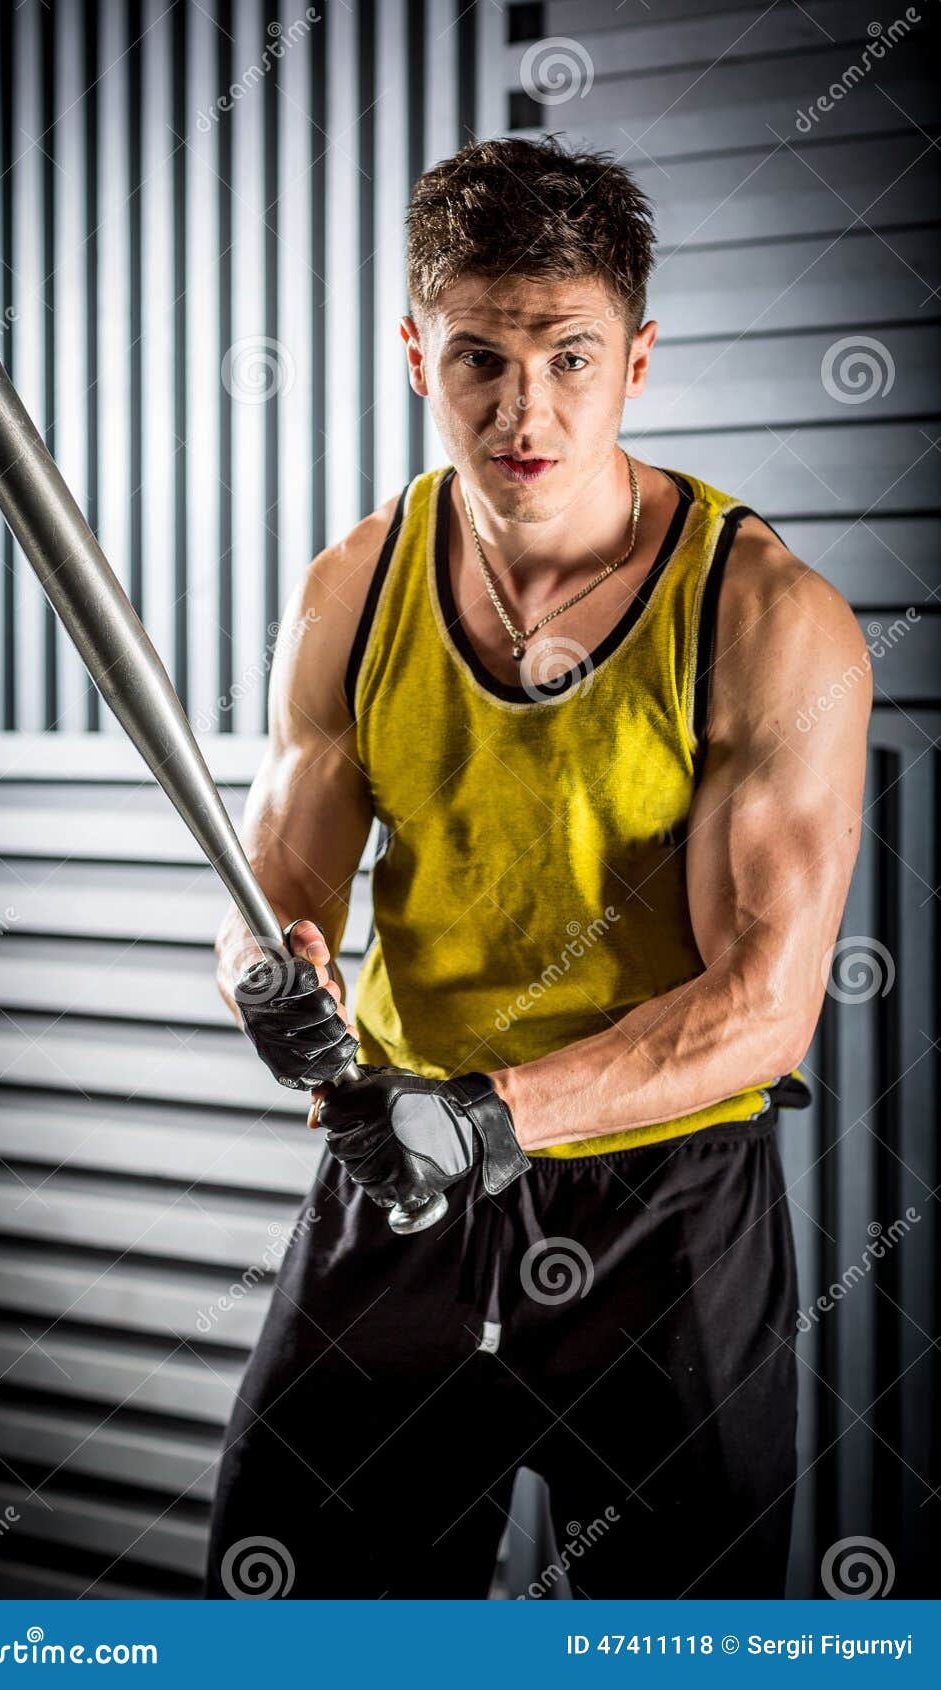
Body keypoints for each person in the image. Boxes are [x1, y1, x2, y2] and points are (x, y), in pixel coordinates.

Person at [203, 136, 870, 1600]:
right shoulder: (354, 585)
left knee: (680, 1643)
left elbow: (763, 1003)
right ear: (413, 352)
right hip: (403, 1178)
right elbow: (279, 888)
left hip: (666, 1203)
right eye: (480, 357)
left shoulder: (764, 614)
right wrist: (270, 974)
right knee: (287, 1610)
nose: (526, 408)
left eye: (571, 356)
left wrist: (496, 1120)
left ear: (639, 358)